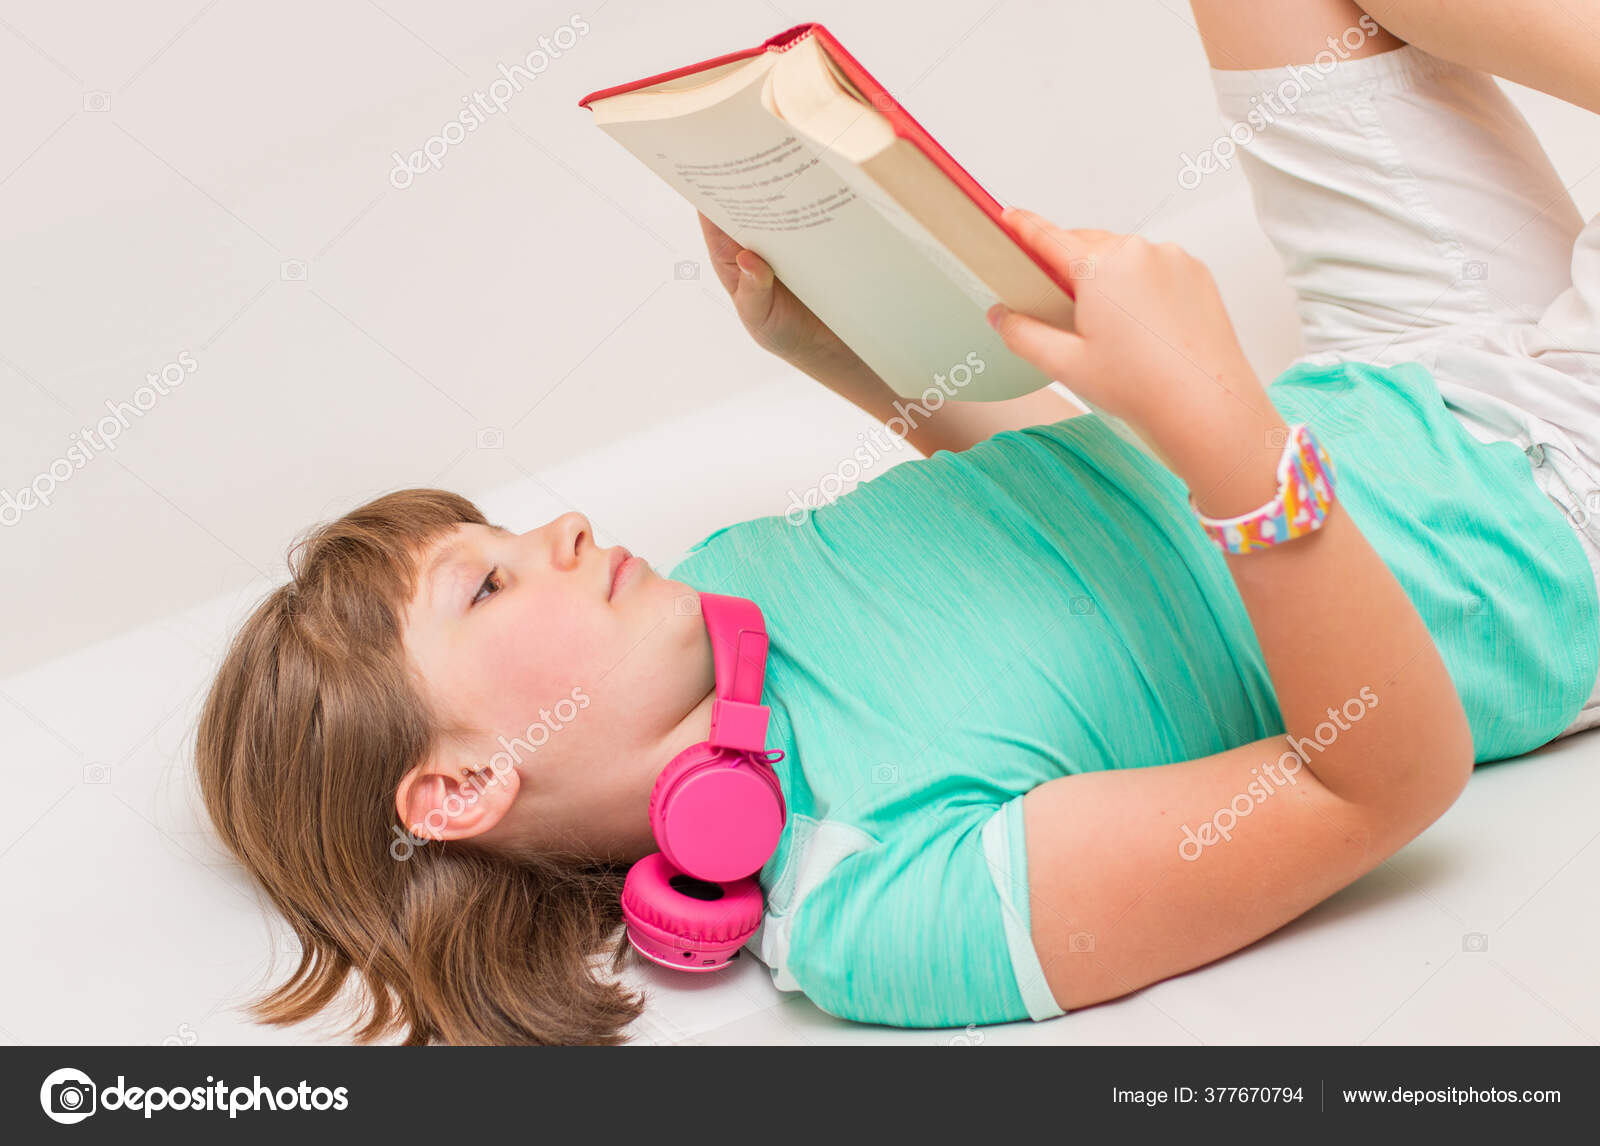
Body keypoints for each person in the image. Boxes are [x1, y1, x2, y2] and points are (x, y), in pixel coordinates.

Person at [195, 0, 1600, 1044]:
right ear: (458, 788)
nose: (558, 527)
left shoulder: (719, 594)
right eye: (486, 588)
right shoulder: (881, 908)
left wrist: (856, 356)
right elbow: (1377, 780)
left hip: (1390, 373)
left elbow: (1072, 524)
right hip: (1543, 531)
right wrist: (1228, 434)